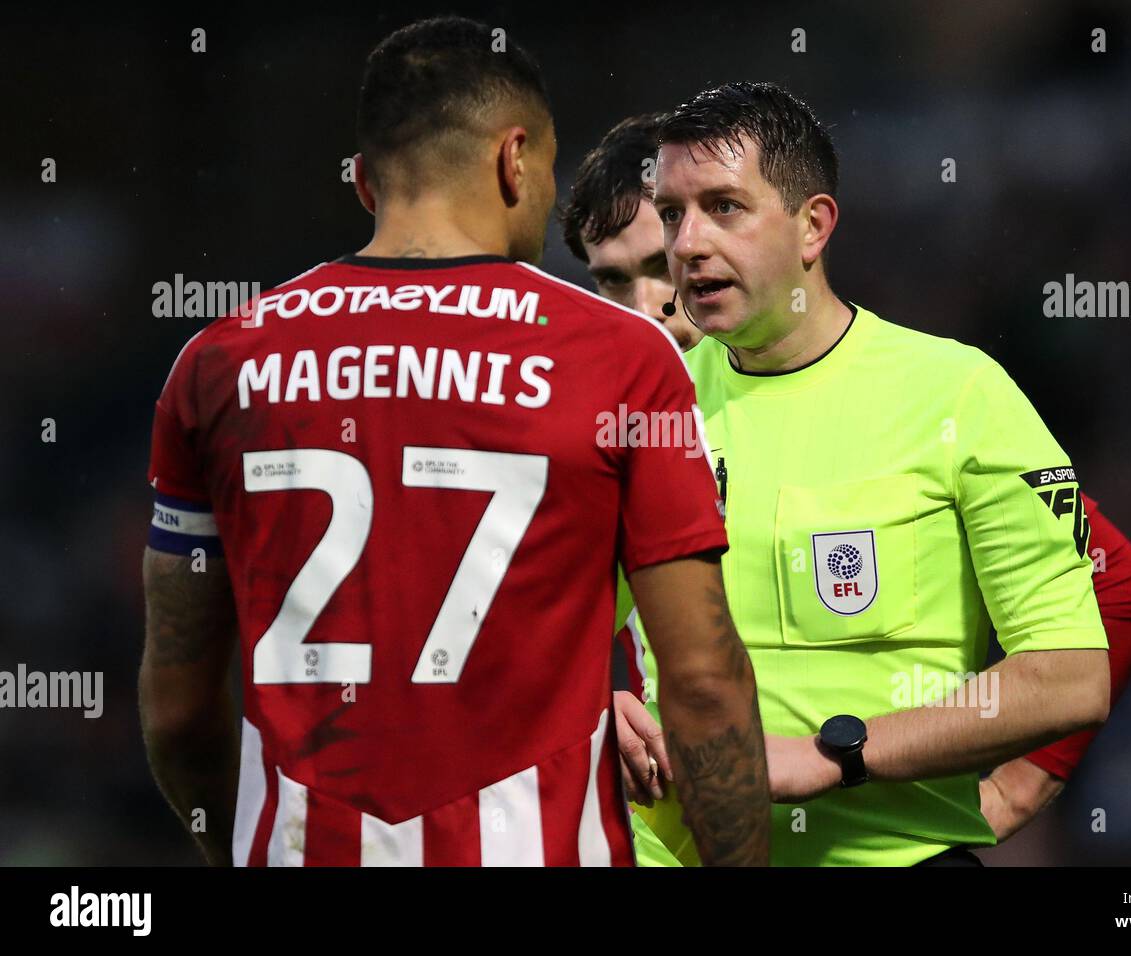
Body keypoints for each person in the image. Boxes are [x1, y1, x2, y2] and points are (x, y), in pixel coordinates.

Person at [138, 16, 769, 868]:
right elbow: (701, 686)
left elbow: (177, 710)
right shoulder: (622, 361)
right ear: (515, 160)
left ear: (364, 181)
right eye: (548, 172)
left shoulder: (218, 365)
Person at [565, 110, 1131, 863]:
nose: (684, 251)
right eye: (670, 220)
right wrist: (592, 702)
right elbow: (521, 632)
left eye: (721, 209)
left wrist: (848, 758)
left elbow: (1088, 650)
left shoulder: (952, 398)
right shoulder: (642, 415)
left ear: (813, 227)